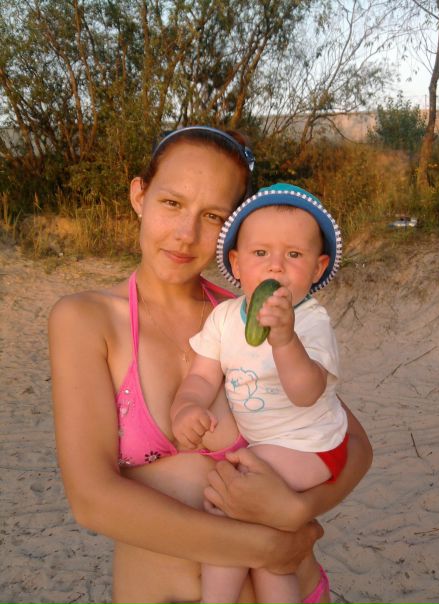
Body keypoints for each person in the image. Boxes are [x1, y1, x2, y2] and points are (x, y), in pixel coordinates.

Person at [49, 126, 372, 604]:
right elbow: (92, 500)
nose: (186, 234)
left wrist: (295, 510)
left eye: (213, 216)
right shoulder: (86, 319)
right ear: (140, 195)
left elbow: (354, 445)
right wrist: (267, 545)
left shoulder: (254, 315)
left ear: (232, 230)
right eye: (172, 203)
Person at [171, 183, 348, 604]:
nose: (276, 266)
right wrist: (186, 406)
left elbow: (306, 393)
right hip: (270, 447)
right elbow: (202, 376)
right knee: (268, 555)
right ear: (236, 262)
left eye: (294, 255)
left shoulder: (311, 322)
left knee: (226, 498)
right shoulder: (225, 318)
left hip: (312, 446)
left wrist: (285, 340)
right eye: (261, 253)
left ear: (318, 267)